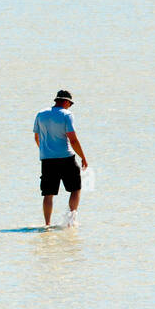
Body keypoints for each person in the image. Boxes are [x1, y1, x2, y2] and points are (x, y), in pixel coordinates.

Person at [33, 89, 88, 227]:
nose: (70, 106)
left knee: (48, 193)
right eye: (70, 104)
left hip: (47, 160)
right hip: (66, 158)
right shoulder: (66, 115)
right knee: (75, 189)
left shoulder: (41, 114)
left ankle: (47, 224)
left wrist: (45, 151)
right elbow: (73, 139)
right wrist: (83, 157)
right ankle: (71, 221)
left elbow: (36, 137)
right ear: (65, 102)